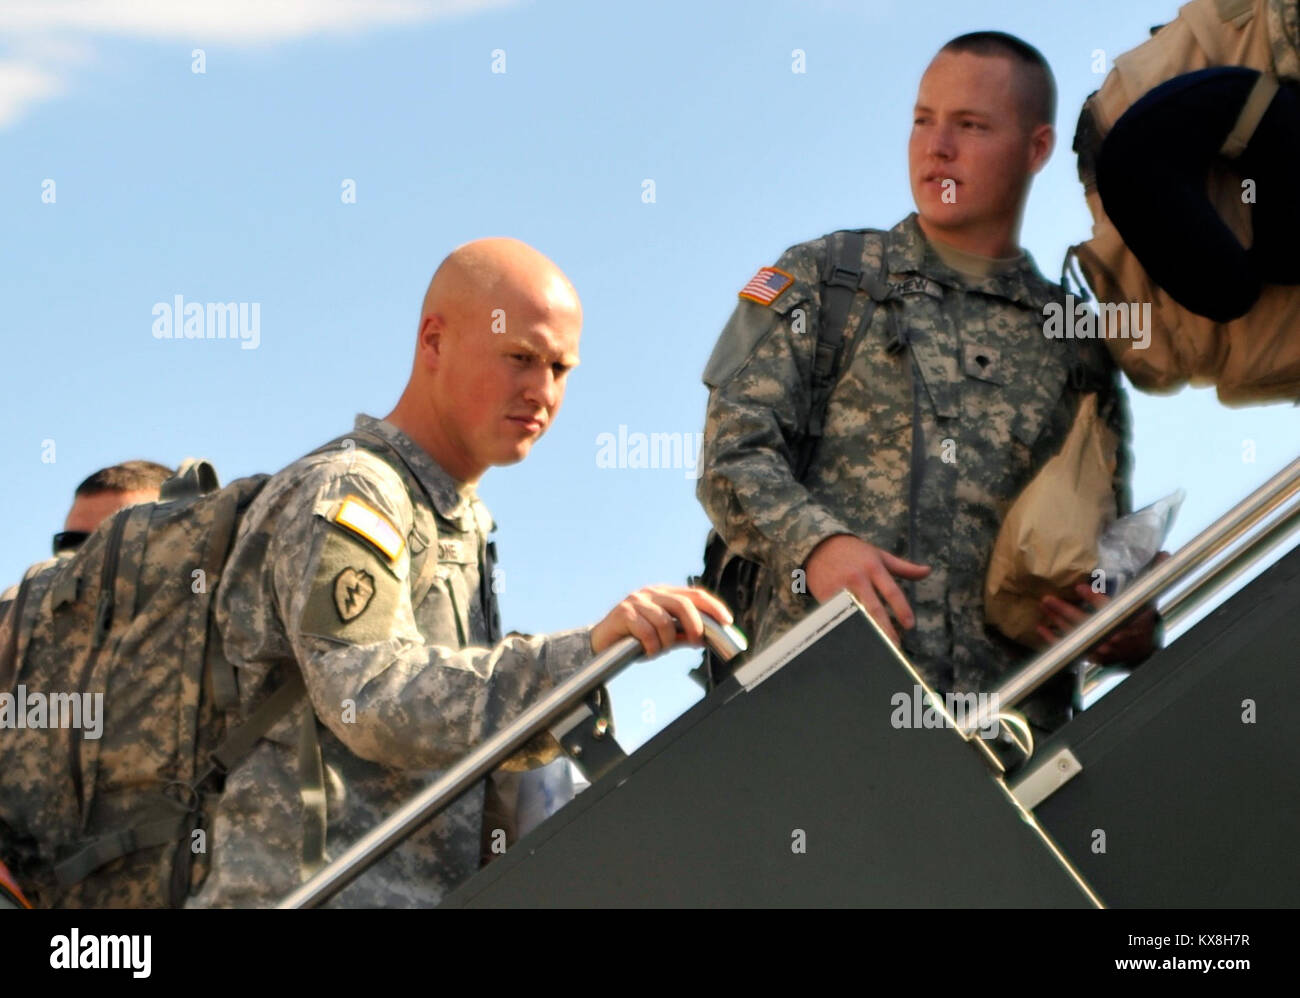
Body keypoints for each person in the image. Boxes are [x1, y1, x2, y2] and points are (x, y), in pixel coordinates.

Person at [190, 237, 731, 908]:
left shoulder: (458, 520)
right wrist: (579, 659)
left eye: (561, 368)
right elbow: (371, 698)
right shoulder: (356, 491)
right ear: (434, 341)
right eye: (519, 358)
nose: (542, 390)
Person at [696, 32, 1159, 736]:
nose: (936, 146)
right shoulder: (828, 279)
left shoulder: (1077, 342)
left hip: (1010, 749)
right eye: (923, 120)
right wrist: (817, 546)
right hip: (820, 723)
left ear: (1036, 149)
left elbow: (1090, 545)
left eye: (970, 126)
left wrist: (1122, 619)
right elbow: (732, 453)